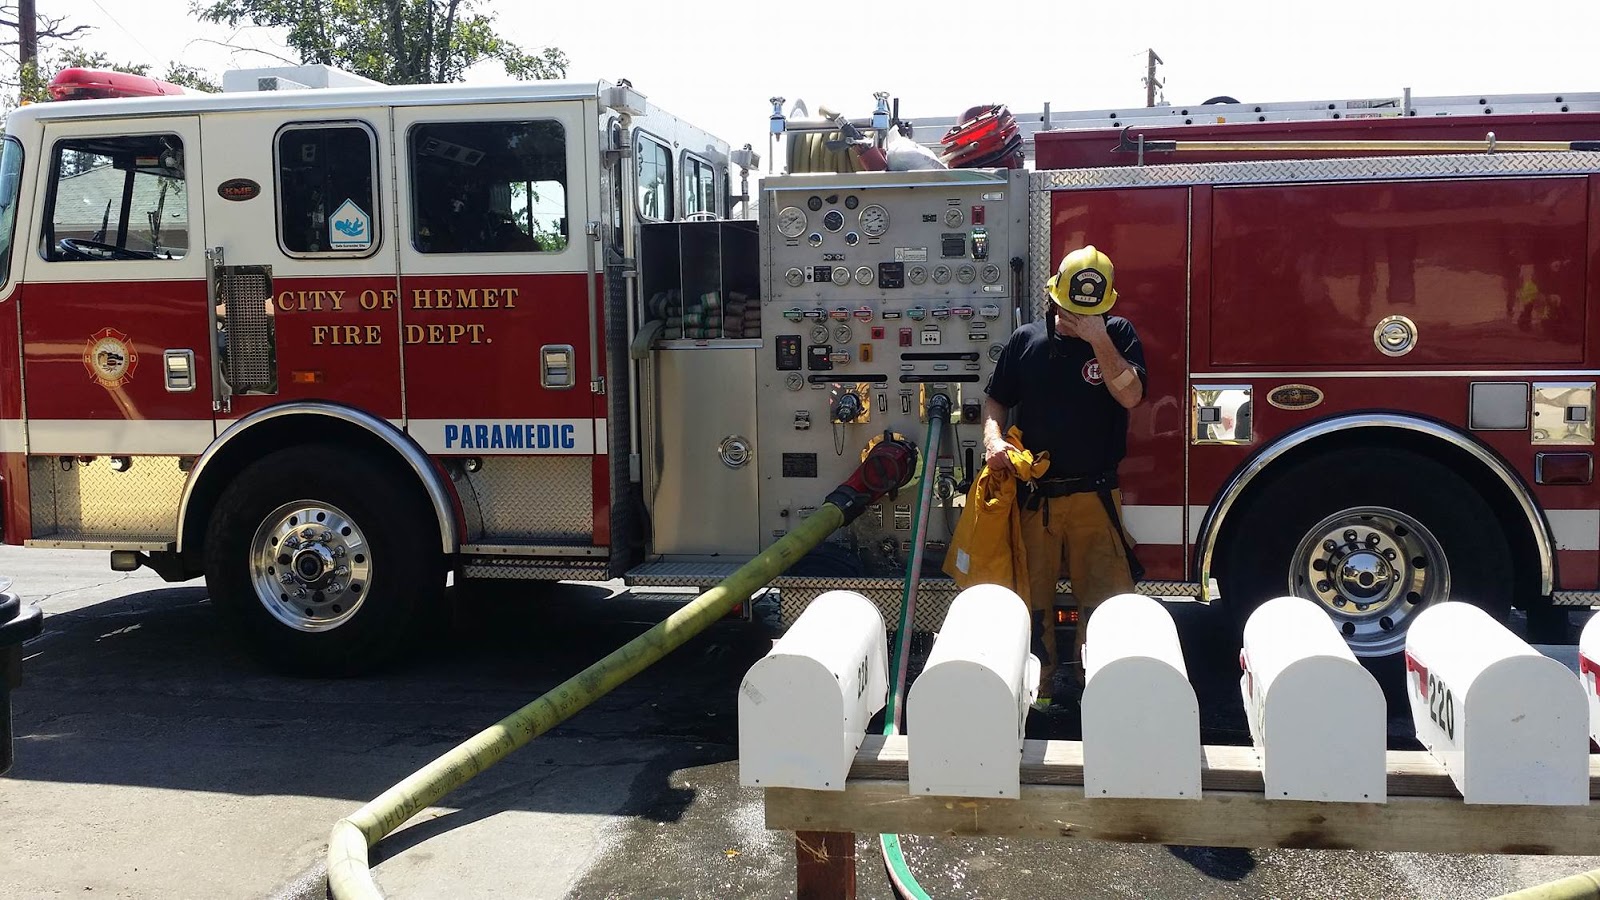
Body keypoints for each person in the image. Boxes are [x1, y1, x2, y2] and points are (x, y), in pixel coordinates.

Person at [981, 245, 1148, 709]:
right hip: (1037, 498)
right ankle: (1040, 692)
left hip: (1096, 496)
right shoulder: (1026, 340)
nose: (1082, 317)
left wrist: (1099, 340)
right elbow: (996, 402)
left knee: (1106, 601)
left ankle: (1105, 693)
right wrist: (993, 441)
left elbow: (1131, 396)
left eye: (1092, 312)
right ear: (1053, 296)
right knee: (1030, 602)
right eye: (1074, 310)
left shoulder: (1118, 336)